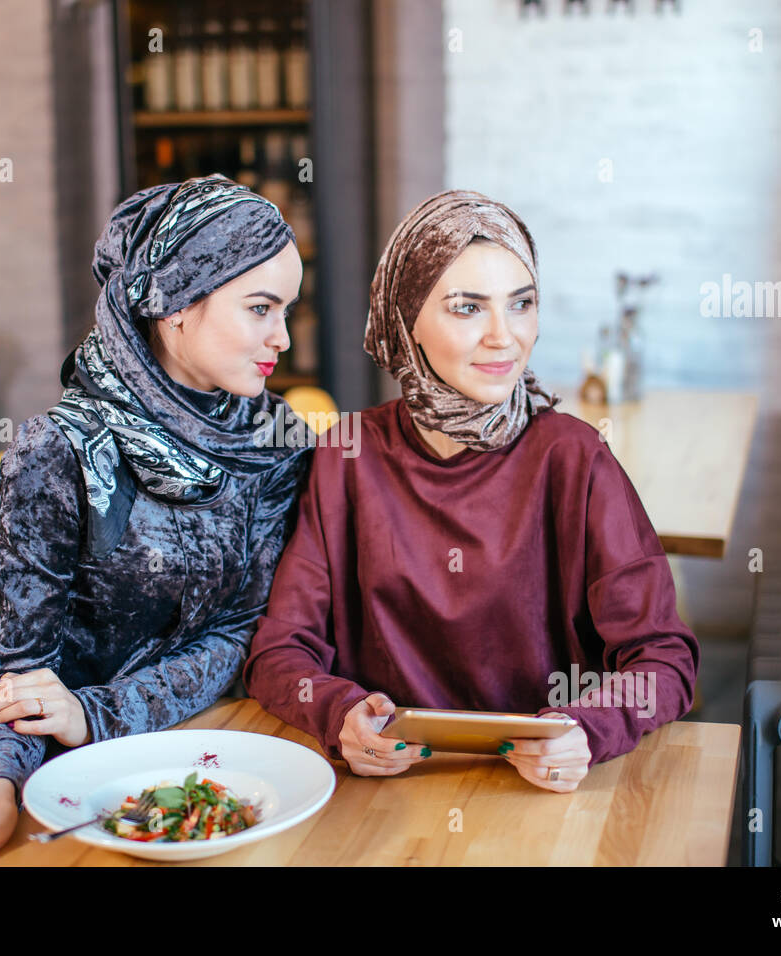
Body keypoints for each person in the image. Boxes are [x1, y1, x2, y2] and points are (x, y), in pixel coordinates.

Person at [0, 174, 311, 866]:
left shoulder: (274, 443)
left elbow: (239, 631)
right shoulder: (59, 450)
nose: (283, 337)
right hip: (27, 760)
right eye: (260, 308)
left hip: (175, 751)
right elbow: (17, 671)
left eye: (287, 310)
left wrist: (97, 713)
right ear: (173, 304)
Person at [243, 189, 700, 792]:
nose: (504, 337)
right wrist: (340, 714)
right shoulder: (347, 456)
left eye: (521, 304)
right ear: (406, 320)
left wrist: (589, 728)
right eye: (467, 309)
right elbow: (278, 654)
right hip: (386, 800)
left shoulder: (574, 458)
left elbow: (664, 658)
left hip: (540, 794)